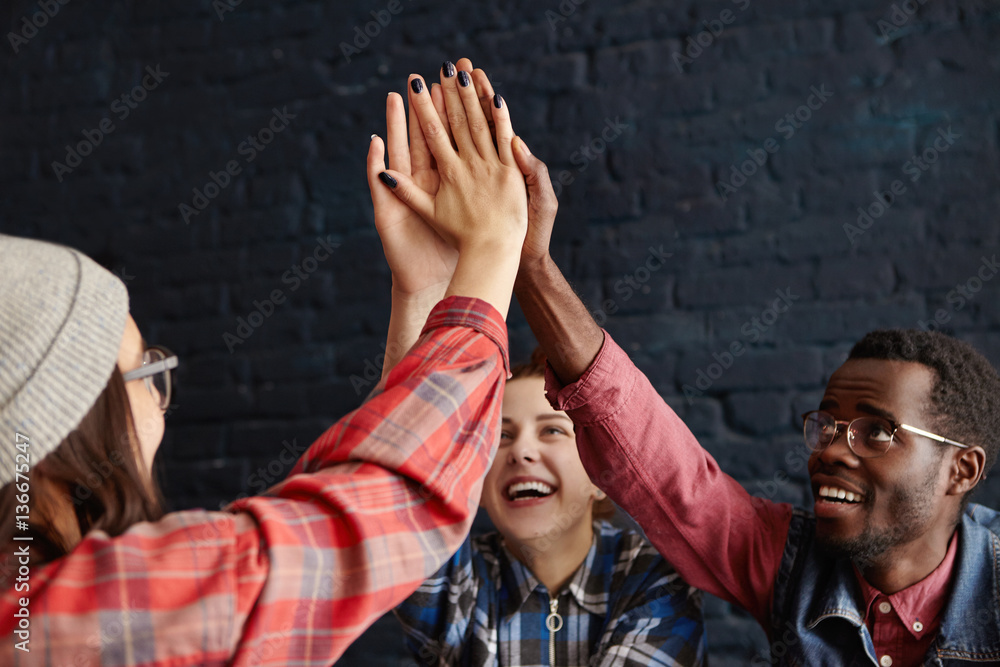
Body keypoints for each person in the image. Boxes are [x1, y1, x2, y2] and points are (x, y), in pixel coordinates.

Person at [383, 67, 1000, 666]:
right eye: (829, 425)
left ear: (961, 468)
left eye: (877, 431)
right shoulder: (789, 561)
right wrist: (520, 261)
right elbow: (663, 466)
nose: (834, 449)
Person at [0, 62, 527, 665]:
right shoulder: (66, 620)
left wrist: (428, 292)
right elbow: (363, 519)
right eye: (144, 375)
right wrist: (493, 247)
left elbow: (334, 521)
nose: (162, 399)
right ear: (61, 436)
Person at [392, 349, 705, 666]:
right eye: (501, 436)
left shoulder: (653, 577)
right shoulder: (459, 582)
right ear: (480, 486)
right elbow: (404, 455)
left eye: (552, 430)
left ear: (600, 476)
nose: (522, 451)